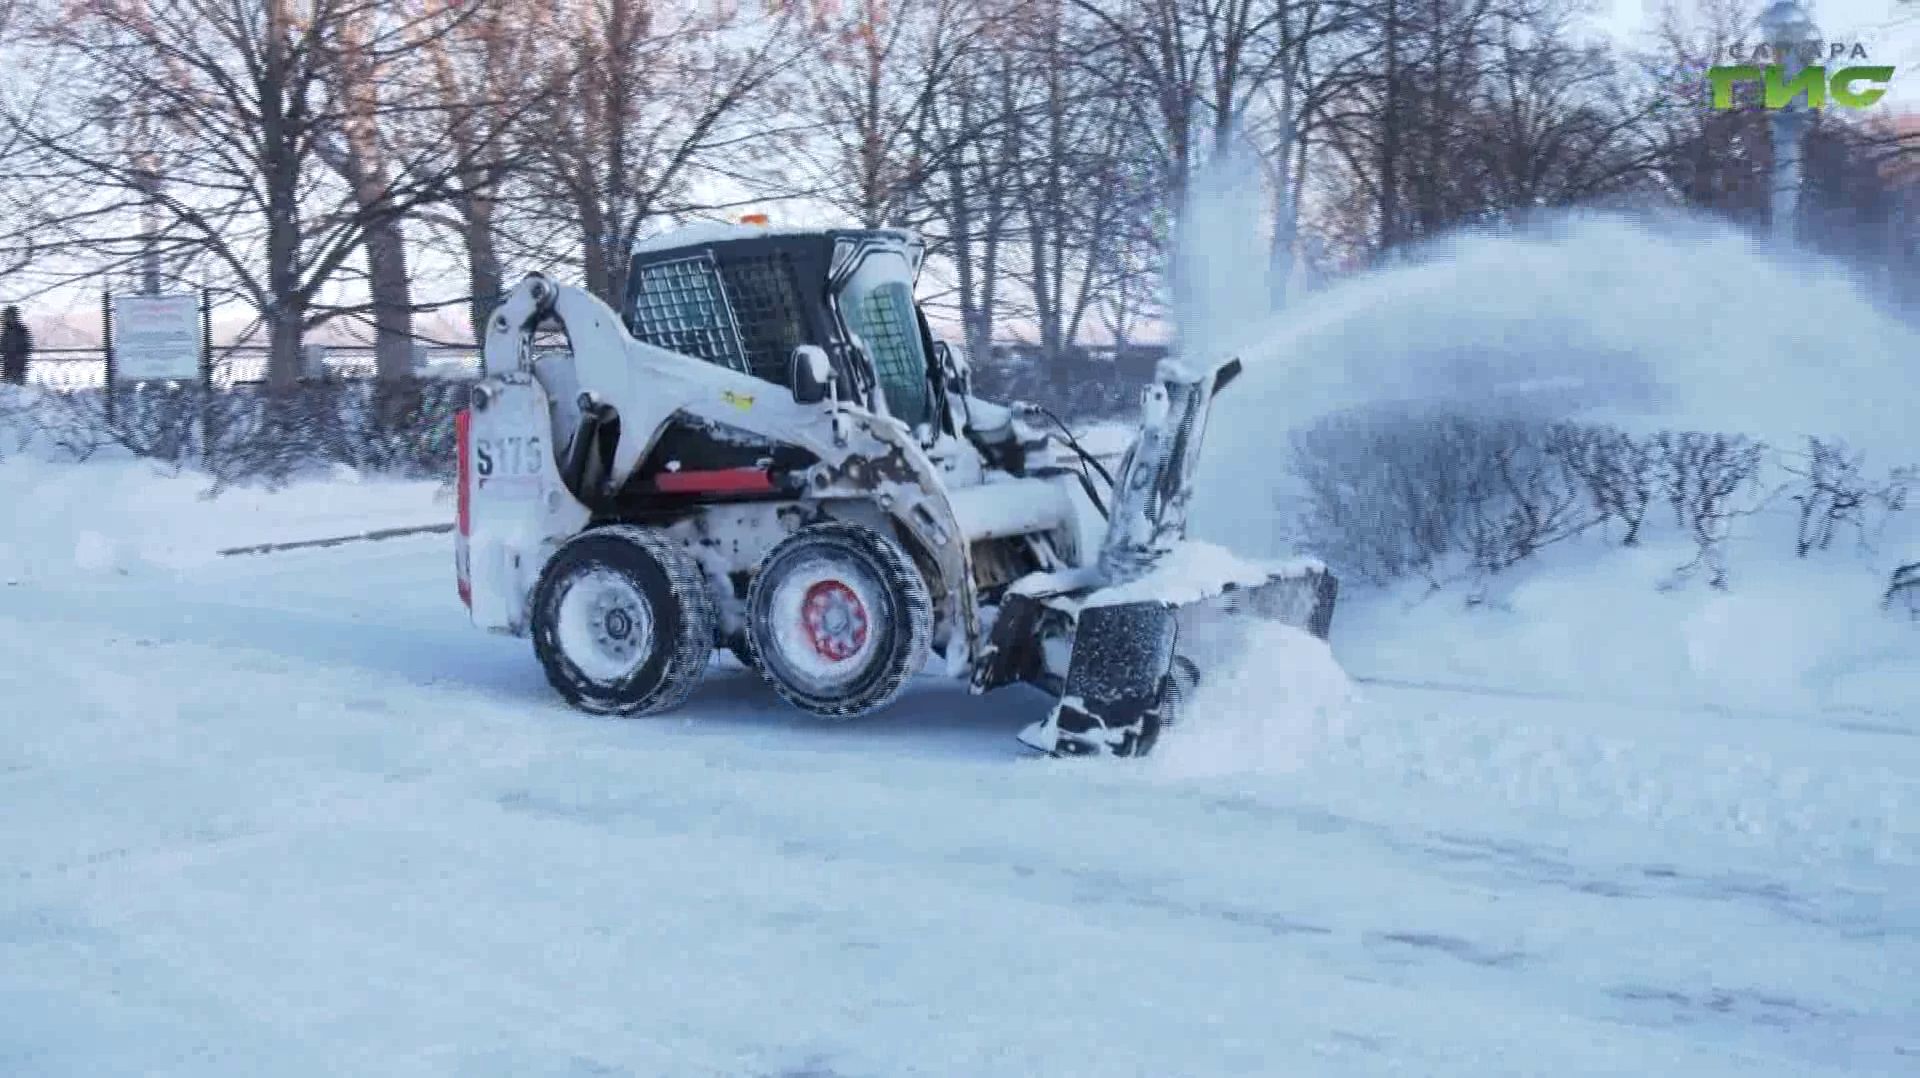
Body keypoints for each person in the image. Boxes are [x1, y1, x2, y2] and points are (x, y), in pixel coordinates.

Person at [0, 306, 30, 386]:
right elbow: (3, 345)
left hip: (17, 363)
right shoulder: (6, 330)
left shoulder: (20, 329)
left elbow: (26, 346)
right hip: (8, 362)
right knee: (7, 386)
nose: (5, 318)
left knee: (16, 386)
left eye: (6, 316)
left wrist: (19, 357)